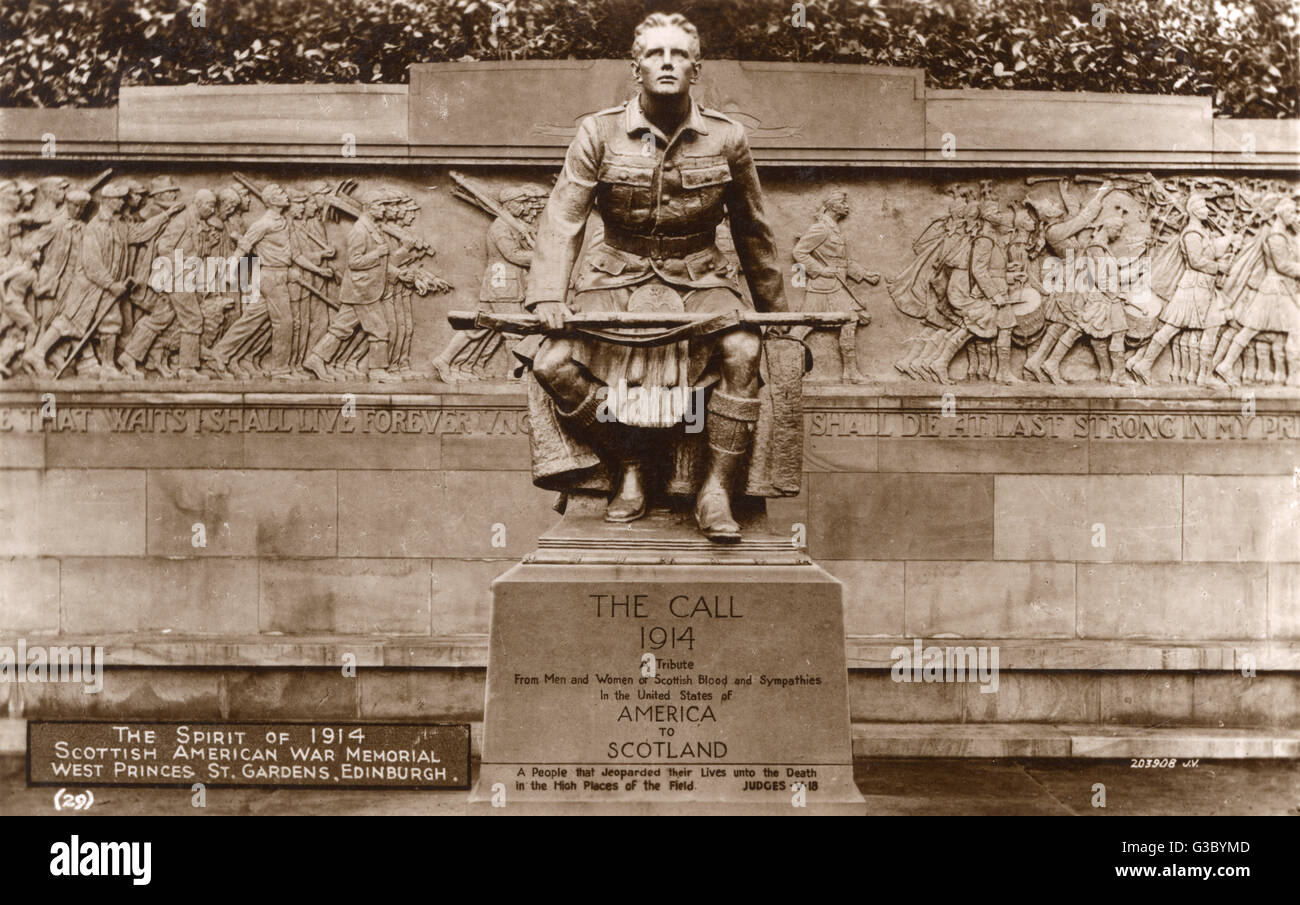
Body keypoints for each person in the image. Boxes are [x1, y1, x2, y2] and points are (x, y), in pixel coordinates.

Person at [514, 12, 788, 542]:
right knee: (551, 362)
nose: (667, 63)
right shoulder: (597, 132)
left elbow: (754, 230)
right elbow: (563, 217)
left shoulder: (728, 139)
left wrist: (777, 317)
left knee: (744, 352)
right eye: (656, 54)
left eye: (679, 55)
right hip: (614, 277)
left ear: (696, 68)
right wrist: (547, 295)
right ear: (634, 67)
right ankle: (631, 462)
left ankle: (715, 490)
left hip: (702, 278)